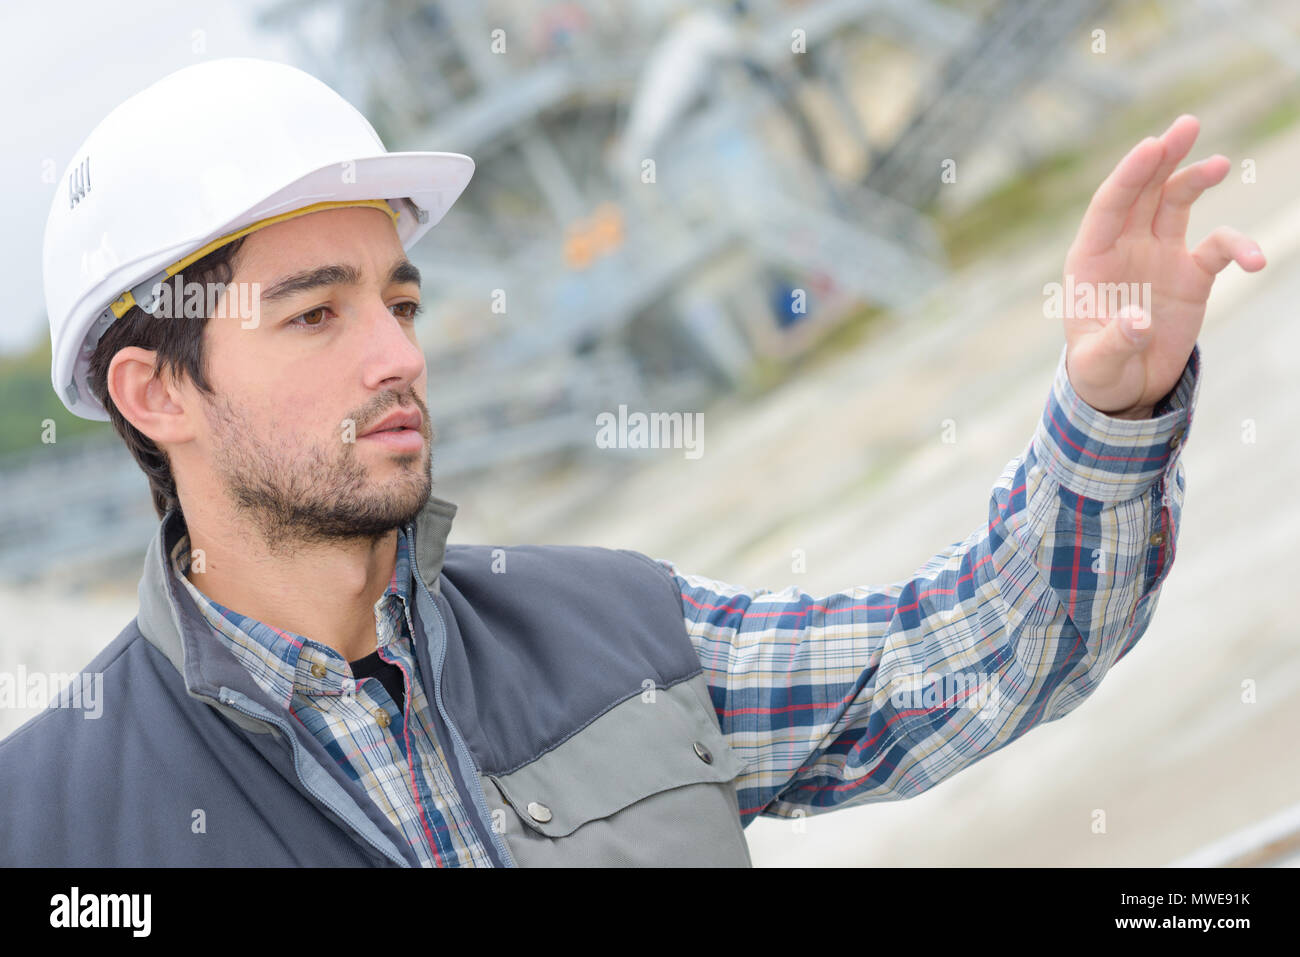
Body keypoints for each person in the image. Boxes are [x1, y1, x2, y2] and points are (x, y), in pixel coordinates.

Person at [0, 58, 1265, 866]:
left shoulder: (617, 639)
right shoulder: (49, 825)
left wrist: (1111, 406)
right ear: (156, 391)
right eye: (317, 315)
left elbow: (984, 650)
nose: (397, 356)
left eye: (401, 302)